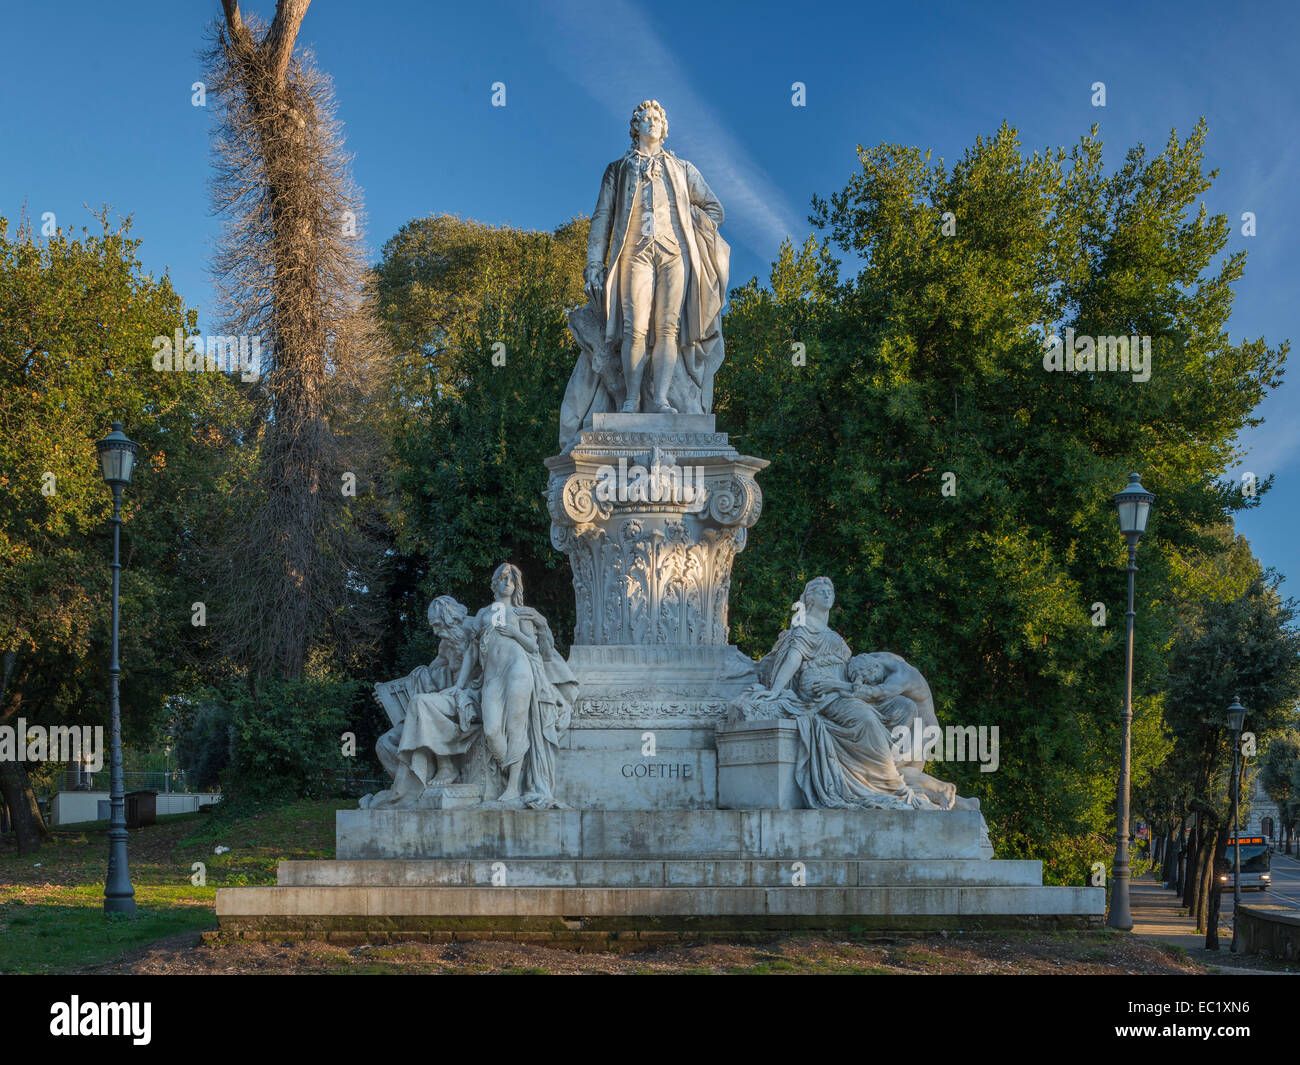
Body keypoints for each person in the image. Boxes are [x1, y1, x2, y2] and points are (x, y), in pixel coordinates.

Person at [559, 99, 729, 446]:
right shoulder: (618, 169)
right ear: (635, 127)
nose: (652, 123)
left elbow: (714, 210)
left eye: (657, 118)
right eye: (646, 118)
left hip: (674, 252)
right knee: (633, 329)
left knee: (668, 328)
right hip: (634, 252)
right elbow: (602, 218)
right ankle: (630, 400)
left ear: (664, 128)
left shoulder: (682, 169)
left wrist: (691, 220)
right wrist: (594, 263)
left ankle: (663, 400)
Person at [746, 577, 937, 811]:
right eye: (822, 591)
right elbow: (793, 659)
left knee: (904, 707)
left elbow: (852, 673)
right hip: (820, 691)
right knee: (865, 719)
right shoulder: (804, 627)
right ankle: (888, 784)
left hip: (843, 689)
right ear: (810, 598)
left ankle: (884, 768)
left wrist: (849, 686)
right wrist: (775, 690)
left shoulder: (834, 636)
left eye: (831, 591)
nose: (828, 595)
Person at [456, 564, 578, 807]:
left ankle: (513, 787)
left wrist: (513, 632)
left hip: (518, 670)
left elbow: (533, 647)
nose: (506, 582)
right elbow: (471, 652)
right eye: (502, 578)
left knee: (516, 727)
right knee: (492, 730)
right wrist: (459, 686)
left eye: (511, 579)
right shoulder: (483, 614)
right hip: (492, 676)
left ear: (516, 585)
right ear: (494, 583)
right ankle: (514, 771)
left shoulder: (523, 613)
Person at [363, 596, 480, 809]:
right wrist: (388, 696)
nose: (435, 632)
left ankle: (446, 766)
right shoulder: (446, 645)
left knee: (421, 703)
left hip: (471, 701)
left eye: (437, 625)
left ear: (450, 618)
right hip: (445, 701)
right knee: (385, 742)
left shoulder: (476, 629)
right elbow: (428, 674)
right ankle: (412, 790)